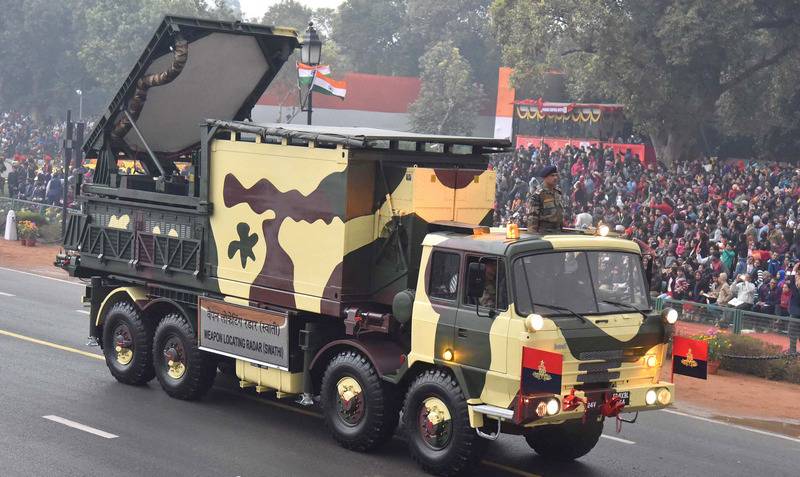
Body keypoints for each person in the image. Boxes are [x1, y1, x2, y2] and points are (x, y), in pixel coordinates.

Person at [527, 165, 563, 234]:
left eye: (556, 175)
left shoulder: (558, 192)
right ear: (545, 177)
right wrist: (533, 236)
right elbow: (532, 219)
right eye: (552, 175)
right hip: (545, 233)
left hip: (558, 232)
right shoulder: (538, 195)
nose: (555, 178)